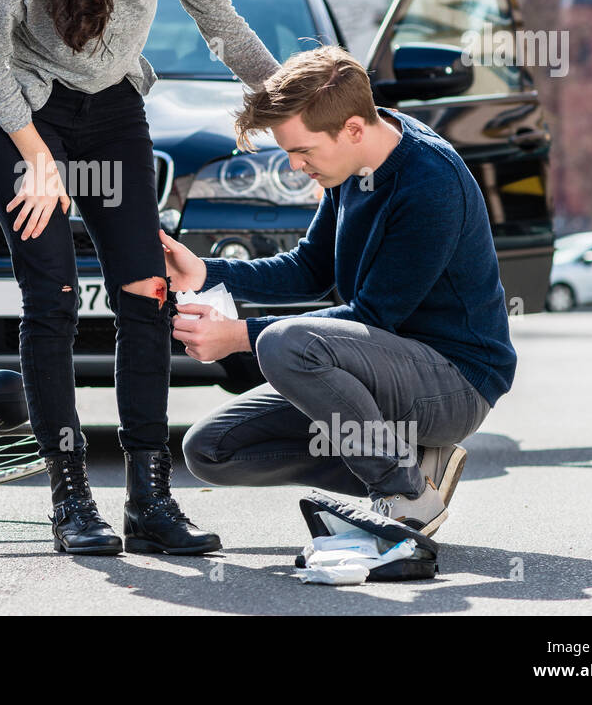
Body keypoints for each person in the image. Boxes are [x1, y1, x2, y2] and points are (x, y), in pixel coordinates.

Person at [0, 0, 281, 555]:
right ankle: (71, 497)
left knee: (146, 294)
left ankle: (150, 498)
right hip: (24, 112)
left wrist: (290, 98)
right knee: (54, 300)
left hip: (111, 113)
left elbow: (223, 25)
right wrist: (38, 157)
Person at [165, 45, 517, 537]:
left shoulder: (430, 184)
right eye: (289, 151)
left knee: (283, 344)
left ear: (353, 128)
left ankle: (404, 495)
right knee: (210, 449)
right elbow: (310, 269)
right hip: (377, 371)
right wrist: (203, 272)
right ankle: (416, 466)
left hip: (455, 381)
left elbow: (373, 318)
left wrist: (238, 335)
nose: (294, 166)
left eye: (302, 151)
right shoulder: (353, 160)